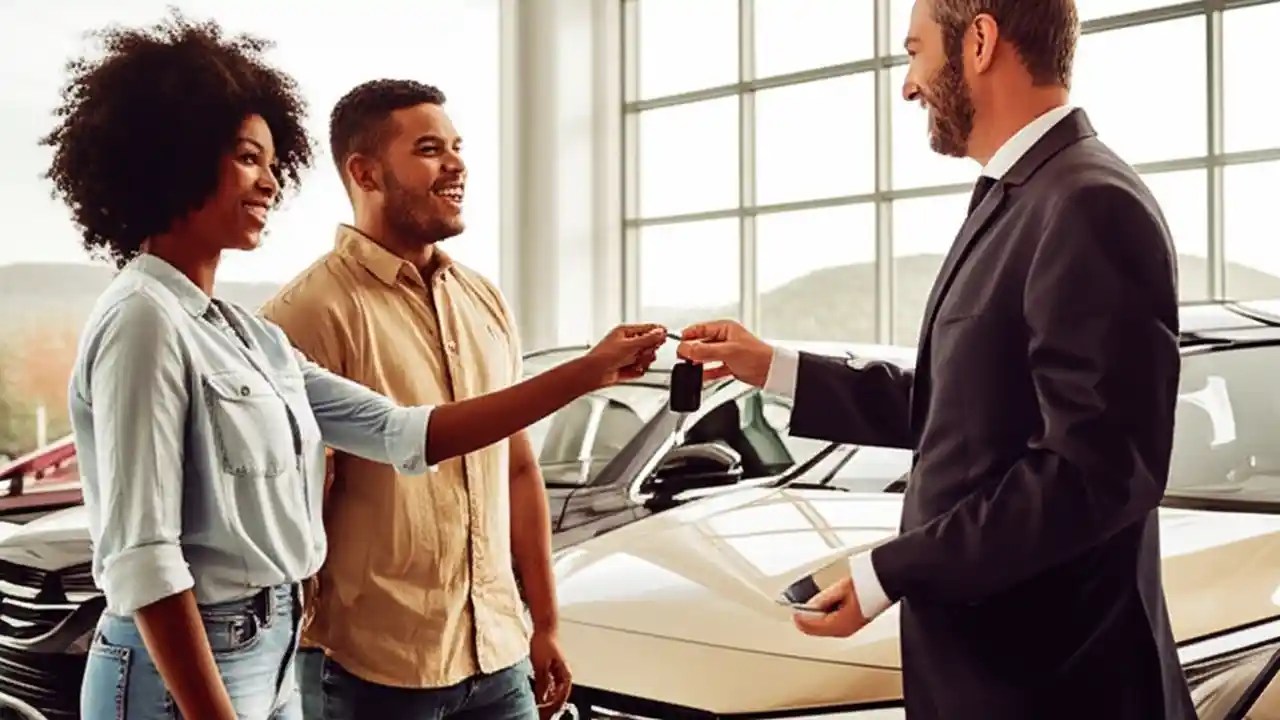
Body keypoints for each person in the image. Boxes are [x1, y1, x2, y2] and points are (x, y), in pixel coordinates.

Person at [44, 15, 665, 720]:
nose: (271, 184)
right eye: (250, 159)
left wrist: (589, 372)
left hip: (268, 652)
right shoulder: (143, 318)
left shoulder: (245, 334)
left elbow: (407, 434)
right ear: (175, 157)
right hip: (184, 668)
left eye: (273, 163)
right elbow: (144, 561)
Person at [676, 1, 1194, 718]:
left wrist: (890, 570)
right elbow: (963, 405)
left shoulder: (1088, 203)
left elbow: (1093, 475)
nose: (909, 83)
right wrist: (774, 366)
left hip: (1055, 686)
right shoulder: (1028, 197)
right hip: (1001, 677)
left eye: (916, 52)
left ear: (979, 41)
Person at [258, 78, 566, 720]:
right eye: (429, 149)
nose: (456, 164)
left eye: (456, 146)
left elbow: (516, 468)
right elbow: (293, 510)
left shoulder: (485, 300)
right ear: (365, 172)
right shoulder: (307, 314)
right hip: (370, 672)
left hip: (499, 655)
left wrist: (545, 624)